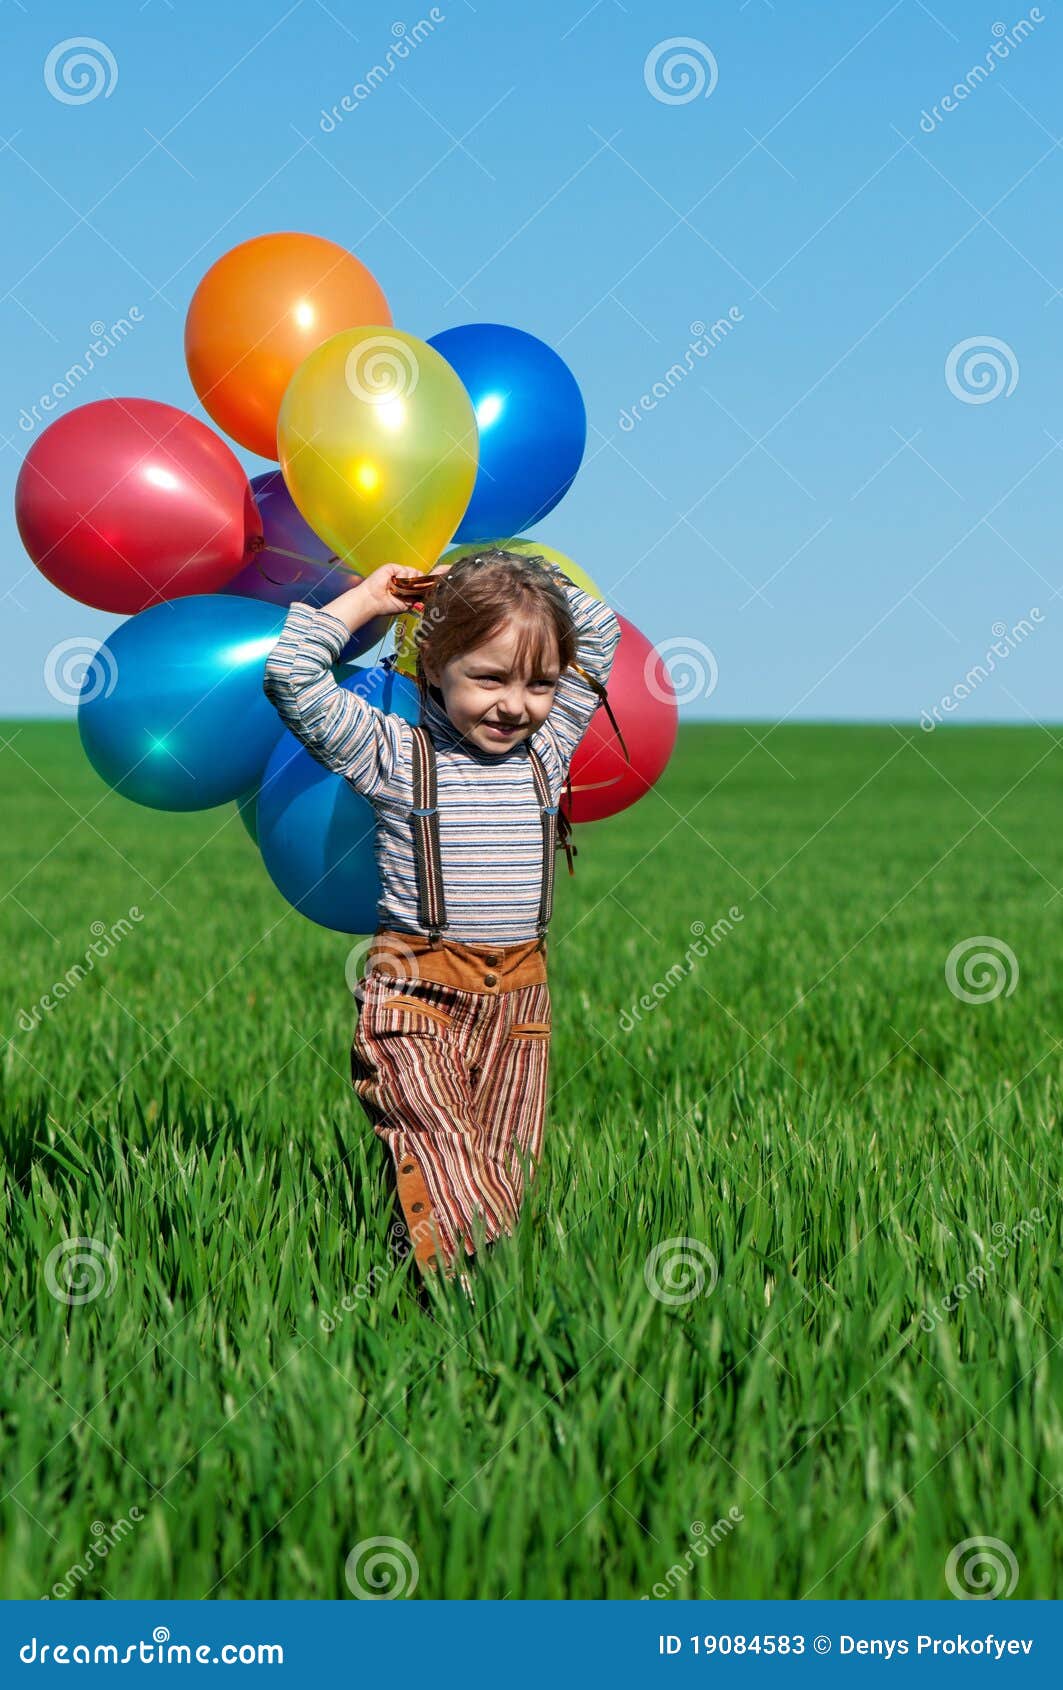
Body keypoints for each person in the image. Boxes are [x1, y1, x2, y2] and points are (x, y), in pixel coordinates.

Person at [262, 547, 621, 1295]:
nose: (515, 705)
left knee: (505, 1171)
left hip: (520, 1007)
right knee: (441, 1146)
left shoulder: (547, 751)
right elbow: (291, 674)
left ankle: (458, 1310)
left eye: (540, 683)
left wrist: (518, 577)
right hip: (416, 997)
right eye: (489, 678)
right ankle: (470, 1298)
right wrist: (370, 600)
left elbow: (601, 631)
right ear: (432, 666)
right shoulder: (393, 754)